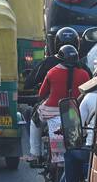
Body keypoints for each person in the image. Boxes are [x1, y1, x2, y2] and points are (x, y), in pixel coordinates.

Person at [50, 77, 97, 182]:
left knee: (69, 161)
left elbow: (74, 124)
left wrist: (61, 130)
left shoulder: (90, 98)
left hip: (91, 151)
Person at [26, 28, 79, 166]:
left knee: (35, 121)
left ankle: (35, 153)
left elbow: (41, 93)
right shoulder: (84, 69)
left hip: (52, 109)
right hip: (76, 111)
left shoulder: (51, 69)